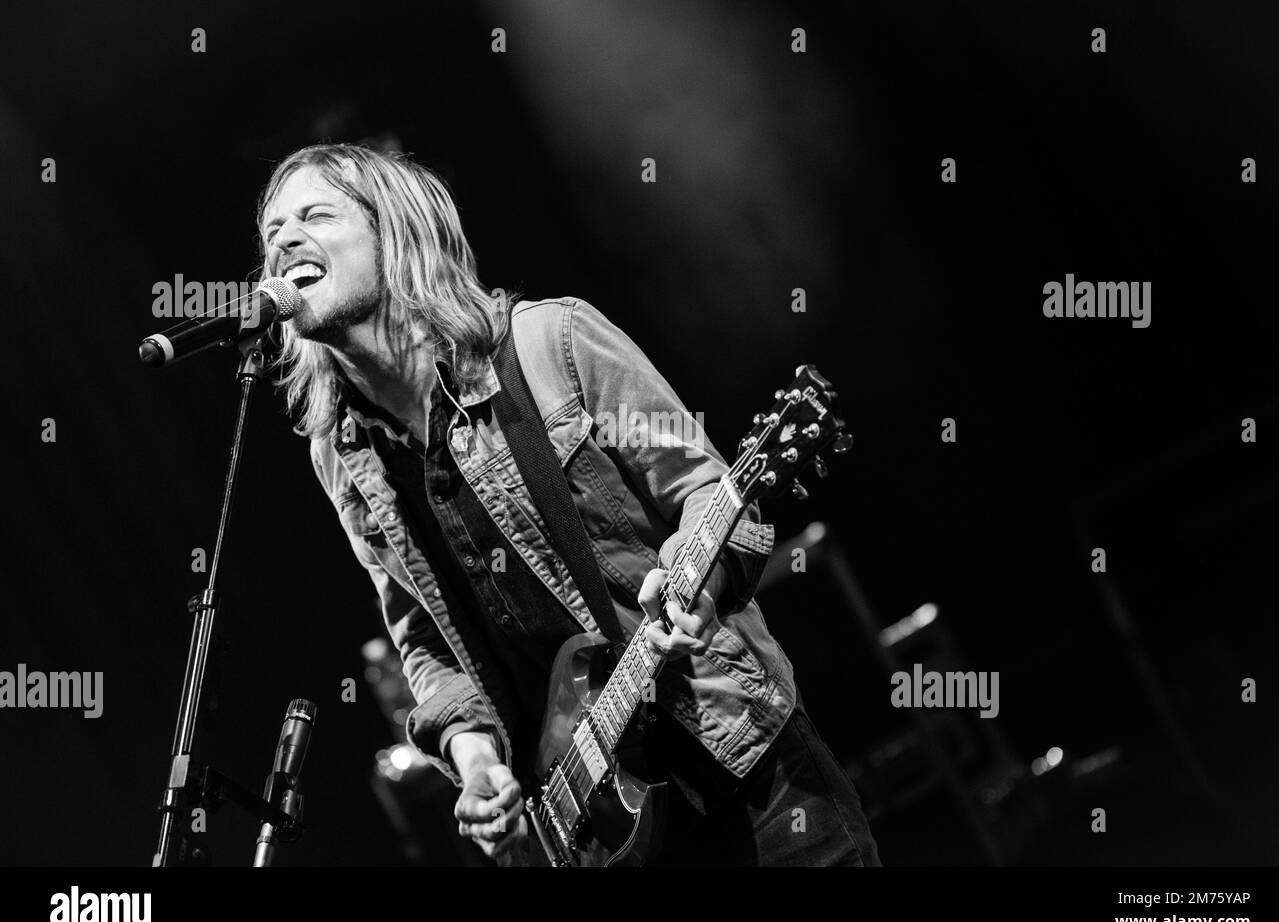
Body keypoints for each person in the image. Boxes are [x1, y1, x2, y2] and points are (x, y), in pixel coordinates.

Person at [259, 143, 880, 866]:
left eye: (315, 216)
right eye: (272, 232)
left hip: (745, 768)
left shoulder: (549, 340)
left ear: (393, 231)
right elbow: (424, 641)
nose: (283, 243)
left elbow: (713, 492)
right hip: (592, 828)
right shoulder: (341, 454)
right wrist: (475, 759)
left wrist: (693, 583)